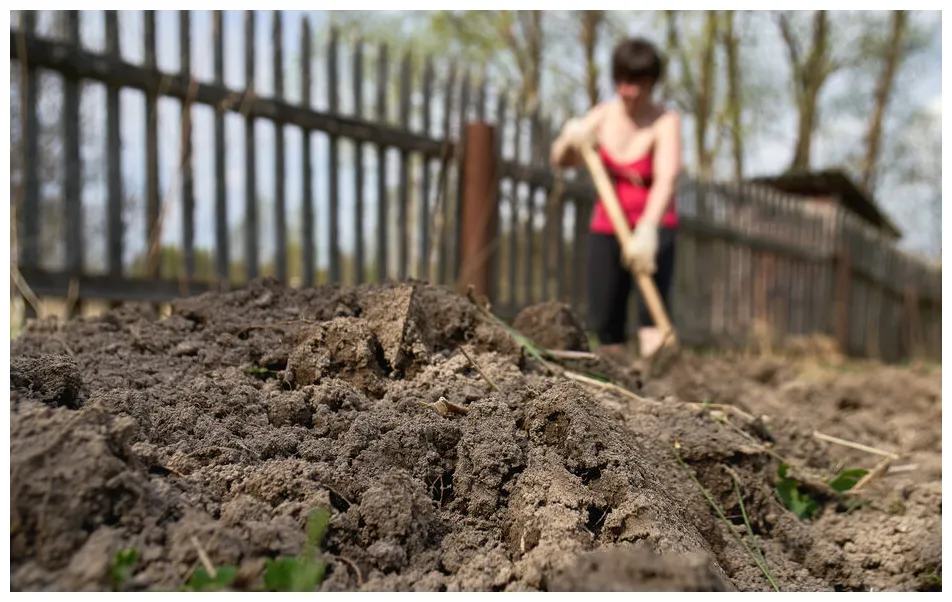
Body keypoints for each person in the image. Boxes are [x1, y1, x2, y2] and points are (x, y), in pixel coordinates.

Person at [549, 36, 681, 364]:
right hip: (607, 227)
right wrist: (570, 138)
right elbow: (559, 159)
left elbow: (666, 180)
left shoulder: (666, 122)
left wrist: (648, 231)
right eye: (621, 81)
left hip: (654, 228)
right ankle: (617, 385)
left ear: (651, 83)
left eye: (636, 83)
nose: (627, 90)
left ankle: (659, 384)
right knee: (607, 322)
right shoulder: (602, 116)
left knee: (651, 319)